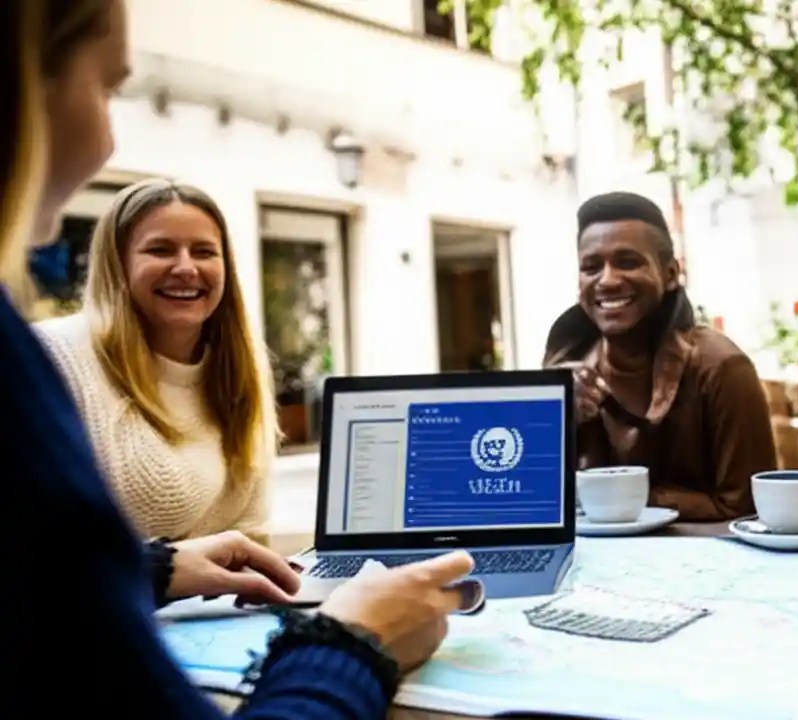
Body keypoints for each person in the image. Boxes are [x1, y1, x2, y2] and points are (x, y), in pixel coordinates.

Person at [1, 0, 474, 715]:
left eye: (204, 250)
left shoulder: (242, 369)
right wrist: (355, 639)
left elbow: (42, 573)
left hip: (211, 640)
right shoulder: (37, 363)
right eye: (104, 87)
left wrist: (159, 568)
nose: (104, 139)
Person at [37, 179, 274, 544]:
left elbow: (252, 531)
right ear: (117, 265)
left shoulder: (240, 363)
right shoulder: (56, 355)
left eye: (204, 251)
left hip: (223, 601)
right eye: (160, 250)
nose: (185, 267)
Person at [544, 191, 776, 521]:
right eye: (591, 267)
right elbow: (535, 504)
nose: (607, 280)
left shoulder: (722, 369)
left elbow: (748, 510)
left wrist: (630, 499)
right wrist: (556, 421)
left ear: (670, 274)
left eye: (627, 262)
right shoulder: (564, 373)